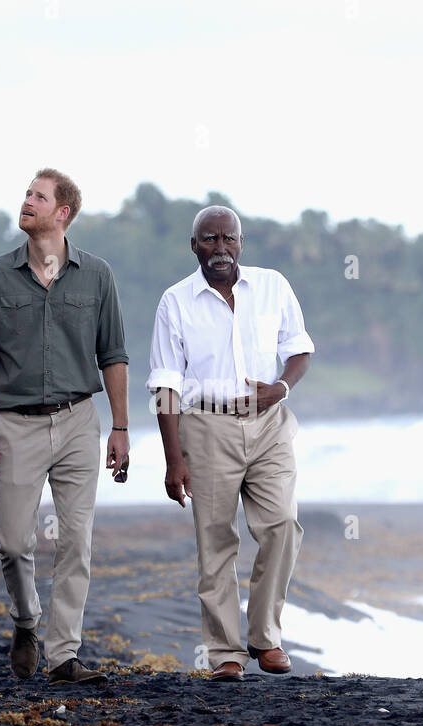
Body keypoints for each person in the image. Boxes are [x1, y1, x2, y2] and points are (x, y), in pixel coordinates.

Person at [0, 169, 130, 685]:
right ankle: (25, 621)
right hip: (16, 424)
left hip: (80, 420)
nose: (27, 201)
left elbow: (115, 356)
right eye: (26, 194)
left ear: (64, 213)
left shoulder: (97, 275)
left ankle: (63, 656)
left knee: (76, 541)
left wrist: (121, 428)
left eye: (39, 196)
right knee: (14, 544)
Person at [147, 206, 313, 681]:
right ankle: (224, 652)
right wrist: (173, 460)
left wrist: (280, 388)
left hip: (269, 422)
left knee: (282, 524)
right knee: (216, 539)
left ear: (241, 243)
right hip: (206, 426)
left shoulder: (273, 286)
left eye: (228, 239)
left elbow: (298, 349)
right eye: (209, 240)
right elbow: (165, 386)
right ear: (194, 245)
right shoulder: (175, 302)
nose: (220, 249)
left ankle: (266, 637)